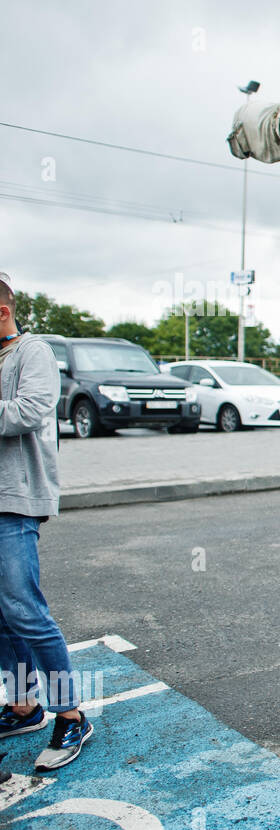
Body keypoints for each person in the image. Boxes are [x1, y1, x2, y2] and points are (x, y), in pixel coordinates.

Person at [0, 272, 93, 771]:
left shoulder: (31, 353)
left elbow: (31, 411)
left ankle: (71, 713)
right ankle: (23, 705)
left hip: (15, 499)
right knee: (2, 618)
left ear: (3, 312)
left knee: (26, 612)